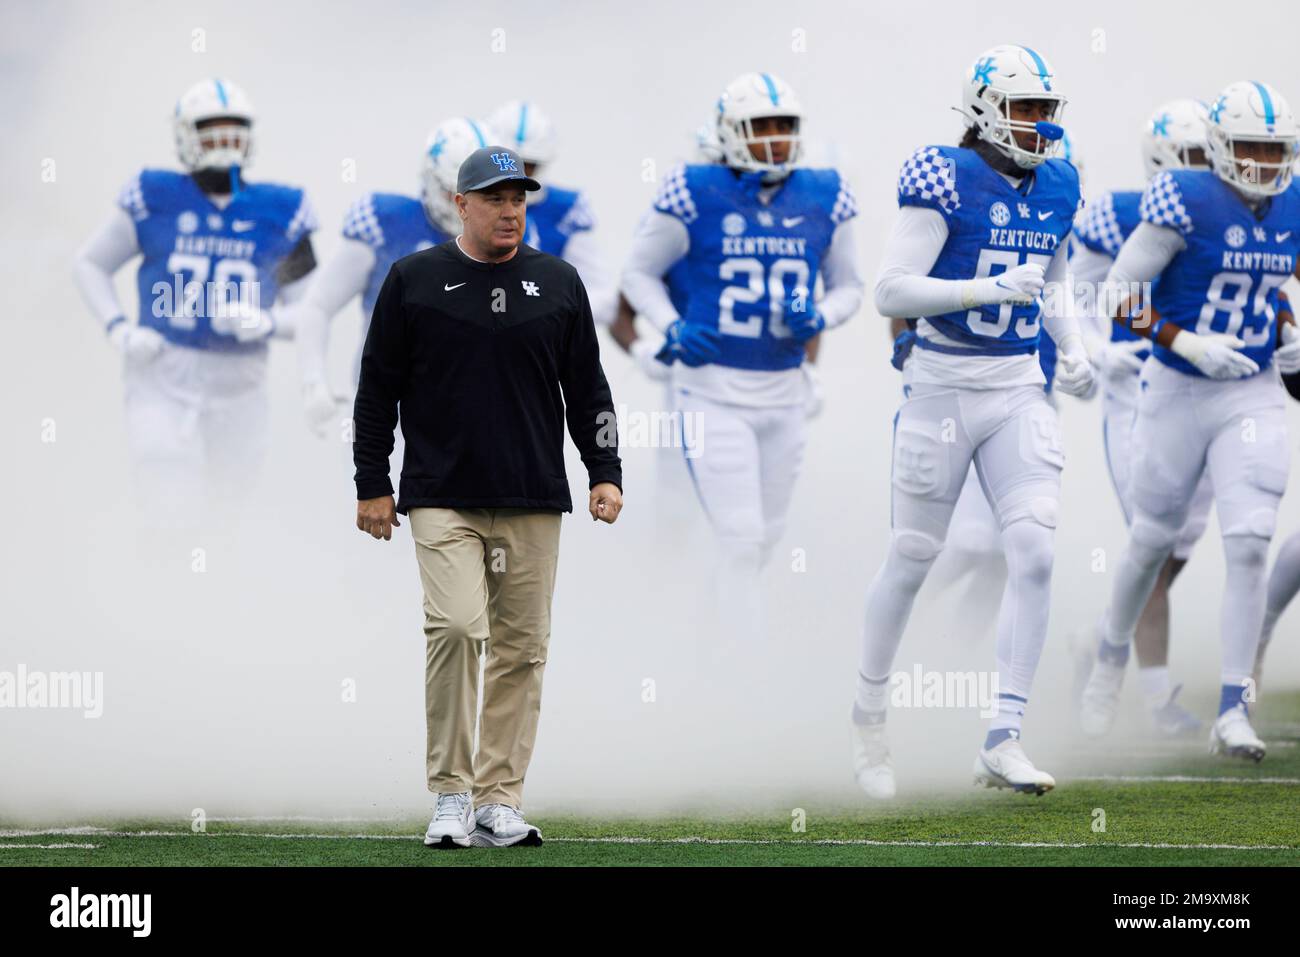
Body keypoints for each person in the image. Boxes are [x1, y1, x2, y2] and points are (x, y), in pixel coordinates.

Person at [352, 145, 623, 849]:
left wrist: (605, 469)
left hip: (534, 495)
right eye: (495, 199)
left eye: (519, 199)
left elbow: (589, 389)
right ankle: (450, 793)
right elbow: (376, 388)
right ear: (461, 204)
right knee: (457, 628)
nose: (510, 211)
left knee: (522, 649)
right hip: (442, 495)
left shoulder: (558, 283)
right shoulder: (413, 279)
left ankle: (499, 798)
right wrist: (372, 483)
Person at [853, 45, 1094, 800]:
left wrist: (1075, 347)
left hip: (1017, 382)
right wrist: (983, 285)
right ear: (986, 107)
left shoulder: (1060, 180)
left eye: (1046, 110)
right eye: (1026, 108)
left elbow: (1051, 275)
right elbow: (891, 291)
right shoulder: (943, 174)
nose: (1040, 125)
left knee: (1035, 546)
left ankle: (1004, 734)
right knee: (914, 554)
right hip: (942, 386)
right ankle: (869, 716)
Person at [1079, 80, 1300, 762]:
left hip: (1251, 388)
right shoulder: (1182, 197)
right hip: (1176, 385)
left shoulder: (1292, 200)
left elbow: (1274, 281)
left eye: (1277, 147)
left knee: (1249, 538)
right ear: (1221, 149)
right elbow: (1117, 294)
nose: (1266, 161)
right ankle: (1110, 654)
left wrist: (1290, 328)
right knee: (1151, 542)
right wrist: (1182, 340)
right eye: (1252, 146)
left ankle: (1235, 707)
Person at [621, 71, 864, 648]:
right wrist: (673, 326)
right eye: (761, 127)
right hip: (711, 391)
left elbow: (851, 287)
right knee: (741, 539)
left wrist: (821, 318)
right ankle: (743, 673)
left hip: (784, 391)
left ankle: (708, 636)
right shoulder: (691, 187)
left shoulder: (827, 192)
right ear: (731, 132)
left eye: (785, 126)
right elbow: (637, 274)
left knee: (764, 541)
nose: (775, 139)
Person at [72, 78, 316, 516]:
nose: (223, 141)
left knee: (229, 509)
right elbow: (90, 263)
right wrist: (120, 329)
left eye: (232, 129)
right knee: (168, 496)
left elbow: (314, 309)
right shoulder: (153, 196)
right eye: (210, 130)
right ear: (186, 136)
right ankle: (163, 573)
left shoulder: (280, 211)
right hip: (163, 373)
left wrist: (268, 323)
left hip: (242, 382)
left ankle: (210, 580)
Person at [1071, 100, 1213, 737]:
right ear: (1162, 160)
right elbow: (1071, 296)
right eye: (1195, 157)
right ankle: (1155, 696)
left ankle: (1100, 634)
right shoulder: (1114, 213)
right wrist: (1101, 355)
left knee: (1178, 545)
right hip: (1135, 392)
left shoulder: (1221, 213)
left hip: (1197, 389)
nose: (1208, 169)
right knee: (1151, 541)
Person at [290, 116, 495, 436]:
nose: (461, 209)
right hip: (386, 413)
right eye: (452, 194)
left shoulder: (510, 238)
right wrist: (313, 383)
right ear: (431, 180)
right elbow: (317, 306)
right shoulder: (385, 223)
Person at [488, 100, 617, 328]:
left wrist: (544, 306)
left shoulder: (565, 210)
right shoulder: (459, 203)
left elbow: (604, 298)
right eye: (506, 162)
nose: (517, 173)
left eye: (528, 164)